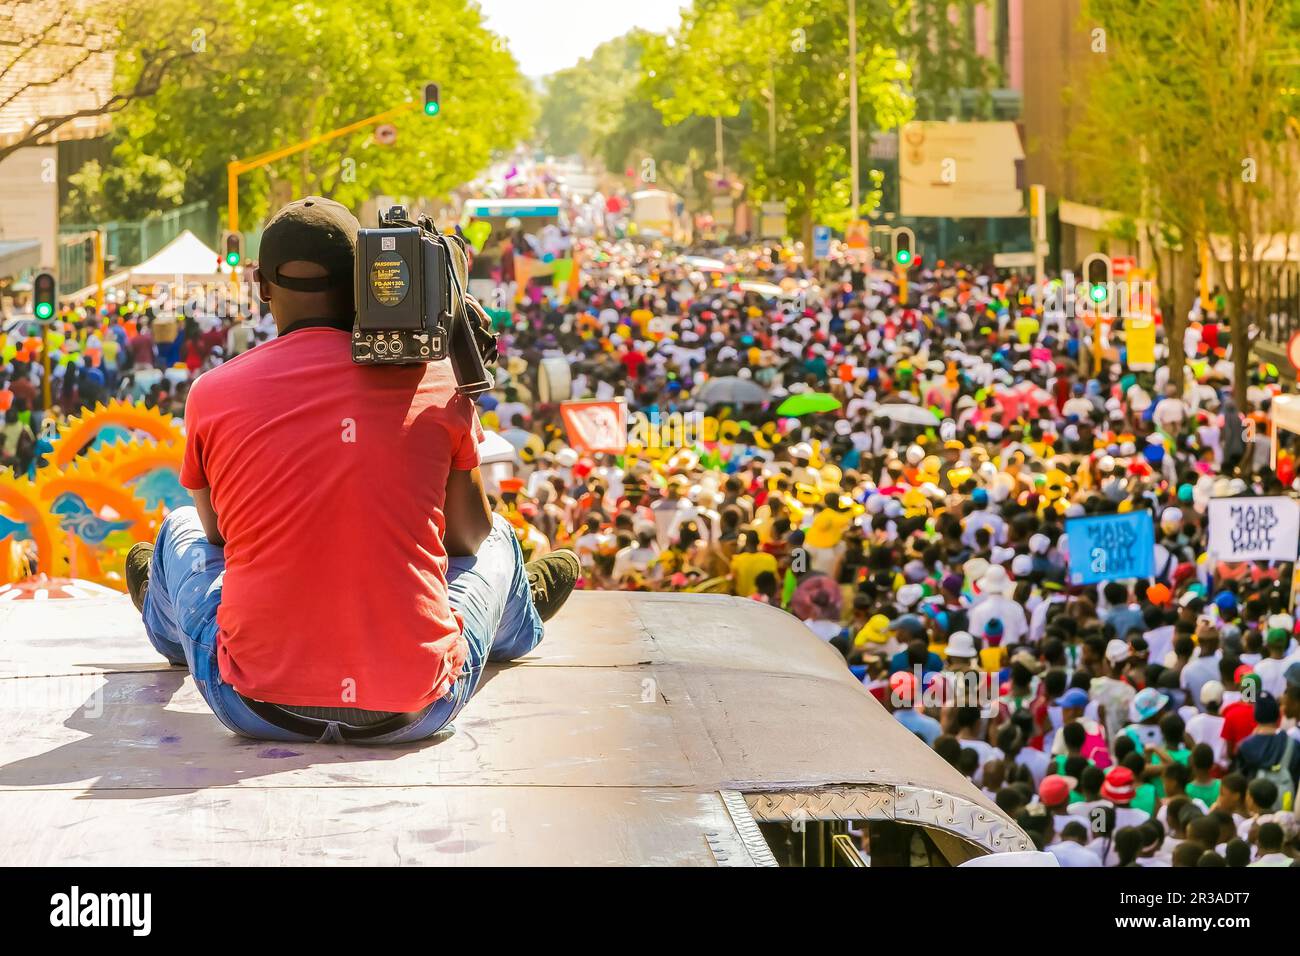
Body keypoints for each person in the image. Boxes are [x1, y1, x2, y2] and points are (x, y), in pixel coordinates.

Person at [124, 197, 579, 744]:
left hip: (253, 705)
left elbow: (219, 536)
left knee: (182, 528)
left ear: (262, 286)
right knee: (501, 539)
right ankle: (515, 620)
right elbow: (469, 536)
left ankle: (166, 619)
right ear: (365, 278)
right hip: (416, 710)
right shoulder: (435, 380)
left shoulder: (212, 393)